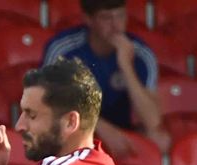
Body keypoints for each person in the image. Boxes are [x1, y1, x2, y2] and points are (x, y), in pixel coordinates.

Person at [43, 0, 170, 157]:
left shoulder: (141, 53)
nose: (116, 25)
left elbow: (153, 121)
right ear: (89, 19)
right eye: (106, 18)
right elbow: (48, 102)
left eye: (120, 16)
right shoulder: (63, 49)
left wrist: (126, 66)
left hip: (123, 127)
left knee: (160, 139)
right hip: (76, 125)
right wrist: (99, 126)